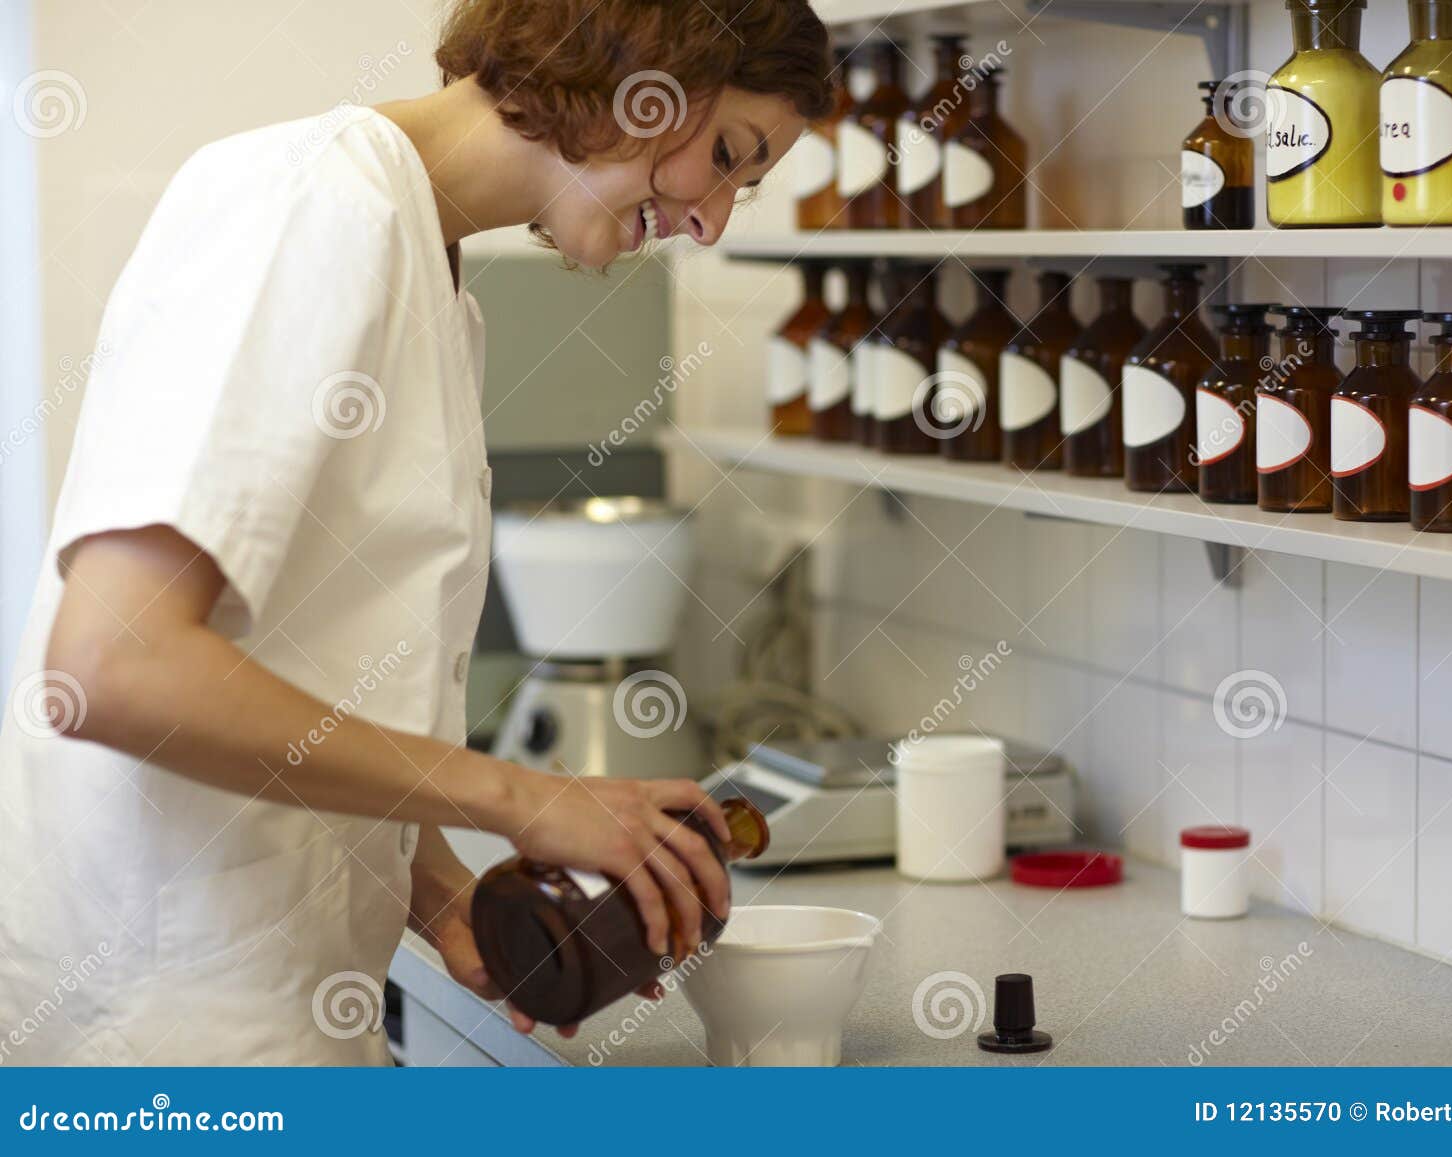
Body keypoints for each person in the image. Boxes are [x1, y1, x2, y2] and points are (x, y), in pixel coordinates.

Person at [0, 0, 834, 1065]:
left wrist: (437, 892)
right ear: (646, 62)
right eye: (727, 155)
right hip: (164, 1029)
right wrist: (523, 795)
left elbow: (307, 662)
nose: (712, 221)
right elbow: (115, 664)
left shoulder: (427, 268)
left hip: (274, 992)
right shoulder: (310, 204)